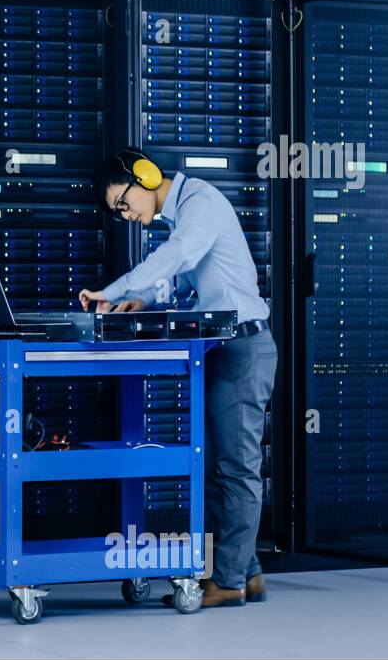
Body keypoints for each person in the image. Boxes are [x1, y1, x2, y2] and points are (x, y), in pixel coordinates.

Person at [79, 148, 277, 609]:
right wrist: (142, 302)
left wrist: (111, 291)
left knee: (238, 469)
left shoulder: (200, 204)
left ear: (144, 177)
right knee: (214, 468)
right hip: (222, 349)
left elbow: (177, 256)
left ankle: (227, 581)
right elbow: (186, 282)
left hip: (243, 349)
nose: (126, 216)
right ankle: (245, 573)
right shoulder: (186, 214)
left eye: (122, 204)